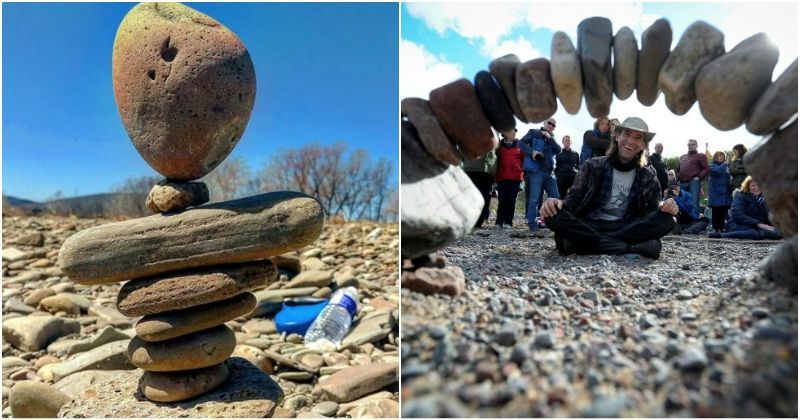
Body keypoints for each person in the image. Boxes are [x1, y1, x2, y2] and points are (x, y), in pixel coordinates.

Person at [540, 117, 677, 259]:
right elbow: (572, 200)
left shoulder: (648, 177)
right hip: (590, 224)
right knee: (552, 215)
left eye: (638, 137)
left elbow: (653, 213)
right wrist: (557, 203)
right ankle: (626, 247)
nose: (630, 141)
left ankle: (587, 244)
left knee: (668, 219)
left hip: (627, 227)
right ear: (617, 136)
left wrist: (666, 206)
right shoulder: (592, 166)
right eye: (627, 134)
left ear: (643, 145)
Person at [520, 117, 561, 236]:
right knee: (534, 198)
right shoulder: (533, 132)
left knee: (556, 197)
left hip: (549, 173)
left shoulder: (552, 138)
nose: (551, 126)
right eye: (549, 123)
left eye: (554, 125)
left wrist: (549, 138)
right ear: (544, 122)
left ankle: (553, 223)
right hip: (536, 171)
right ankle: (532, 224)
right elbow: (521, 143)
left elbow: (558, 150)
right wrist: (532, 152)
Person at [709, 176, 783, 240]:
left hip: (756, 226)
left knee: (779, 232)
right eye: (753, 185)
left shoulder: (765, 199)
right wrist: (758, 223)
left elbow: (769, 217)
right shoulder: (741, 196)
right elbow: (737, 214)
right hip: (737, 224)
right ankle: (721, 235)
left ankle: (762, 234)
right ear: (748, 186)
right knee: (754, 234)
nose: (756, 188)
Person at [494, 129, 524, 228]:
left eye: (515, 132)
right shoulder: (499, 145)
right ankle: (499, 222)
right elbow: (495, 159)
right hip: (501, 177)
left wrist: (522, 173)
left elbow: (523, 160)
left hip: (515, 177)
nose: (514, 133)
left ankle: (508, 222)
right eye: (512, 131)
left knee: (511, 200)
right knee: (502, 200)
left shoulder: (520, 145)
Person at [462, 150, 496, 229]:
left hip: (477, 171)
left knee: (474, 198)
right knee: (480, 198)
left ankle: (475, 222)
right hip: (481, 171)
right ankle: (476, 222)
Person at [677, 139, 710, 210]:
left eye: (693, 144)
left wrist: (698, 177)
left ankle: (695, 220)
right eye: (689, 144)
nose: (690, 146)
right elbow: (678, 169)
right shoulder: (683, 156)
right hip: (682, 183)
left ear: (697, 146)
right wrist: (678, 178)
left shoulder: (701, 156)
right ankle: (683, 220)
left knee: (694, 203)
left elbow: (706, 169)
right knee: (681, 202)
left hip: (694, 182)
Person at [708, 151, 732, 232]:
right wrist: (724, 164)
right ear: (715, 157)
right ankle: (715, 228)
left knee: (723, 210)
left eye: (723, 156)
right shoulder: (712, 165)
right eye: (719, 155)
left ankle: (721, 228)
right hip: (716, 193)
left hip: (725, 193)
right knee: (716, 211)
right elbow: (716, 171)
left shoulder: (725, 167)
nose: (722, 157)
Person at [555, 135, 579, 200]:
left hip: (573, 179)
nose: (567, 141)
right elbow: (556, 167)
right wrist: (558, 176)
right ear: (563, 142)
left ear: (571, 142)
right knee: (562, 198)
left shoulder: (576, 154)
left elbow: (578, 166)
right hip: (562, 179)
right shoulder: (559, 154)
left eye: (569, 140)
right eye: (566, 140)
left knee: (573, 198)